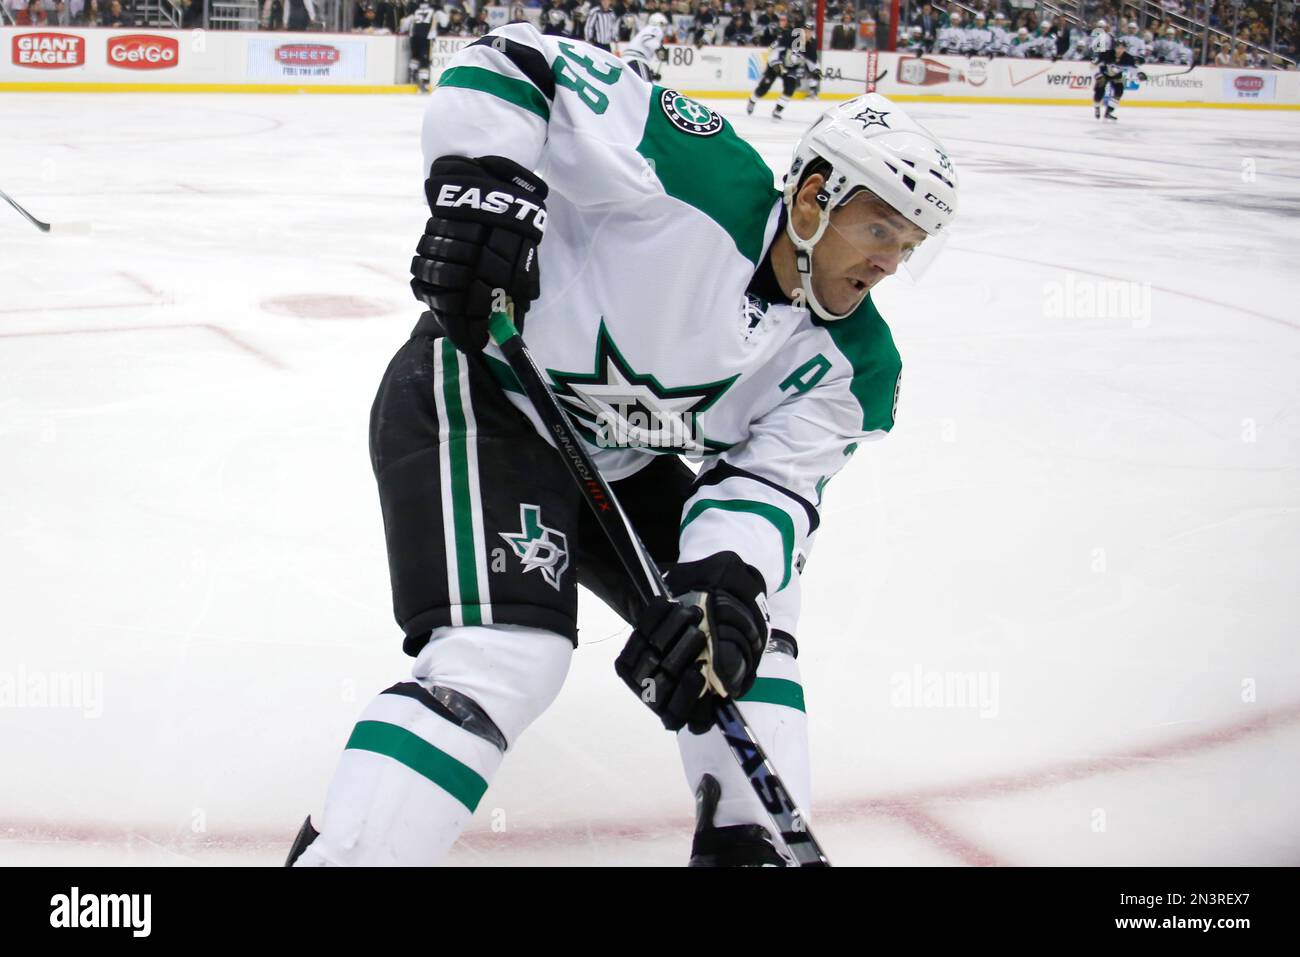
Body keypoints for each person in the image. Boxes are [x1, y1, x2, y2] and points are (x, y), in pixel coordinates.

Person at [284, 20, 959, 868]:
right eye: (881, 229)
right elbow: (514, 60)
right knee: (508, 652)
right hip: (484, 390)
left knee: (745, 621)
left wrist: (718, 585)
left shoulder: (853, 368)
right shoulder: (696, 174)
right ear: (817, 195)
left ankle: (748, 839)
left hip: (619, 452)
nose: (890, 261)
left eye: (910, 244)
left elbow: (769, 487)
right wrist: (483, 187)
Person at [746, 12, 820, 121]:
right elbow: (774, 51)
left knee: (790, 89)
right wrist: (775, 64)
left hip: (791, 69)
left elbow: (812, 61)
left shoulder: (811, 44)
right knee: (764, 87)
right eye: (805, 31)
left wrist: (816, 70)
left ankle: (777, 110)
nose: (807, 34)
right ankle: (752, 100)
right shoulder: (789, 36)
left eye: (809, 32)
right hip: (777, 65)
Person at [1092, 36, 1143, 120]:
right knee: (1099, 89)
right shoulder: (1105, 54)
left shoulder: (1128, 58)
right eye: (1118, 48)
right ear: (1114, 48)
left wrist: (1140, 74)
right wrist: (1097, 75)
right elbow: (1093, 66)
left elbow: (1133, 69)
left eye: (1122, 48)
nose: (1120, 50)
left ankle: (1108, 112)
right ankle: (1097, 107)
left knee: (1119, 91)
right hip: (1104, 74)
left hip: (1116, 76)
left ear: (1125, 49)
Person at [621, 10, 669, 81]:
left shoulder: (646, 30)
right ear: (660, 23)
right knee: (645, 86)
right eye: (663, 25)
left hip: (629, 59)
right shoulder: (655, 29)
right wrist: (659, 48)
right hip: (636, 59)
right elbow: (647, 40)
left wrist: (651, 75)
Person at [403, 0, 437, 92]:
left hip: (414, 37)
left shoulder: (415, 10)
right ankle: (424, 82)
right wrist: (433, 36)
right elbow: (438, 25)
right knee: (424, 60)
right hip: (425, 37)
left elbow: (406, 25)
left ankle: (412, 75)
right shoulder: (432, 11)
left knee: (415, 57)